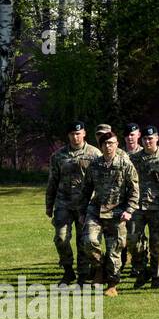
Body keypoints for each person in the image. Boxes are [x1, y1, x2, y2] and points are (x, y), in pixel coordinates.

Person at [82, 129, 139, 296]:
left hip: (117, 212)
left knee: (115, 250)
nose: (108, 147)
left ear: (117, 145)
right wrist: (81, 211)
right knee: (89, 241)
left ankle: (112, 284)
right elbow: (86, 190)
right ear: (101, 146)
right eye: (105, 144)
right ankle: (99, 269)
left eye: (112, 143)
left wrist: (129, 210)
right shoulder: (95, 165)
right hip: (96, 211)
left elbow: (134, 190)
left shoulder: (125, 164)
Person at [45, 120, 102, 286]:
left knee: (83, 240)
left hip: (86, 205)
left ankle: (83, 275)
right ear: (68, 135)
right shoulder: (58, 156)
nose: (75, 137)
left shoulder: (94, 154)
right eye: (72, 134)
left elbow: (100, 182)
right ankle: (68, 270)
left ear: (84, 133)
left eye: (78, 133)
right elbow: (52, 182)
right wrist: (49, 205)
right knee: (61, 238)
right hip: (63, 203)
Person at [129, 126, 159, 288]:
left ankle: (156, 276)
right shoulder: (134, 159)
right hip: (138, 206)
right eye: (145, 139)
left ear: (157, 139)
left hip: (158, 207)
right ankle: (142, 268)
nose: (147, 141)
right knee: (133, 240)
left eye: (150, 138)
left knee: (158, 244)